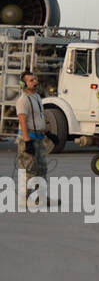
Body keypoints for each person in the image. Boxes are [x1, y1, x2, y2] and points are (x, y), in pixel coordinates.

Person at [14, 71, 50, 203]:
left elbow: (39, 117)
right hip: (29, 139)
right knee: (29, 170)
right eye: (31, 80)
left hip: (39, 138)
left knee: (42, 169)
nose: (35, 82)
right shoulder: (23, 100)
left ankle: (41, 197)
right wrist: (27, 141)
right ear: (23, 84)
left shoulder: (37, 97)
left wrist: (48, 133)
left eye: (35, 79)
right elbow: (23, 121)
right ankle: (25, 198)